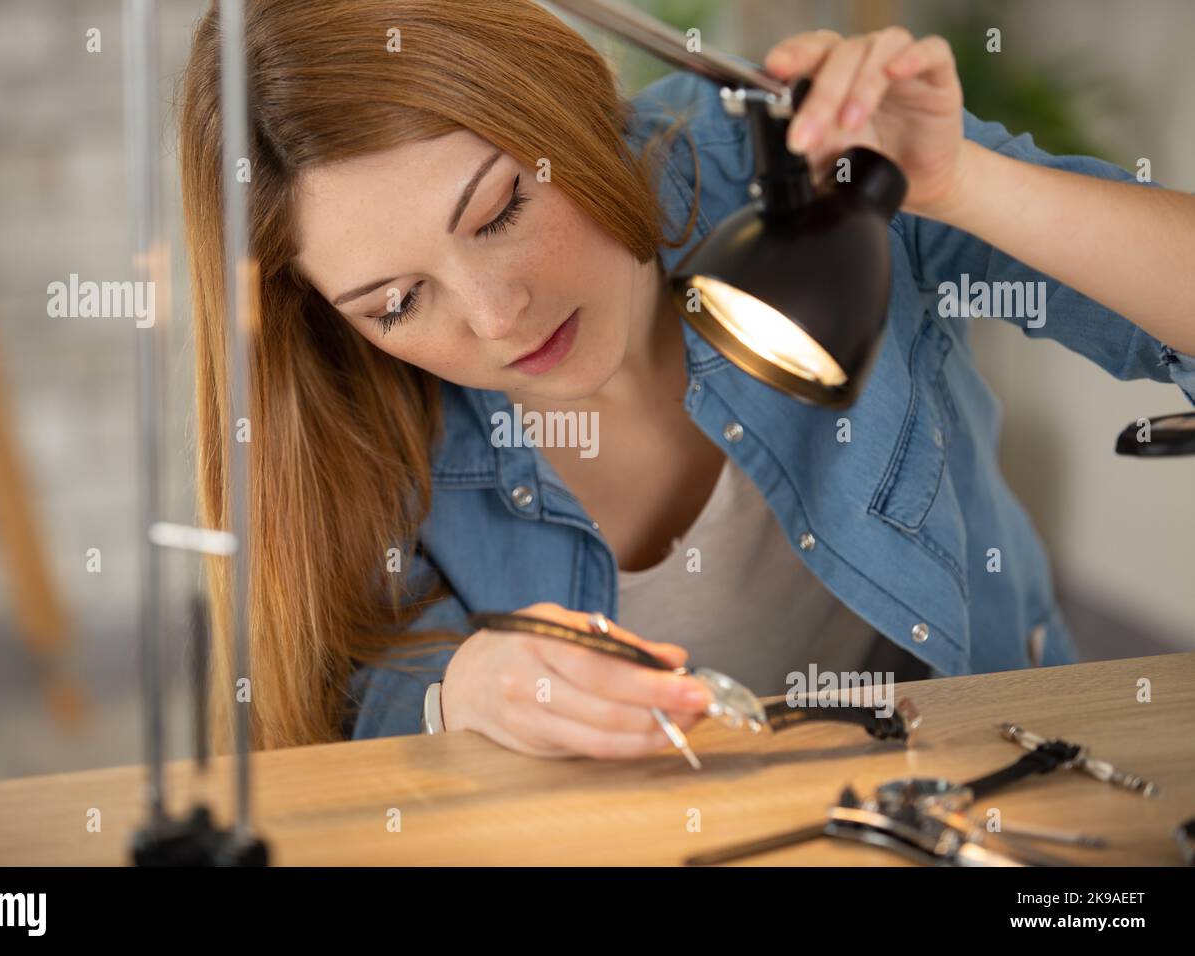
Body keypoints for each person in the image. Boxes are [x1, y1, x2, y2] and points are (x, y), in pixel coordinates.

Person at [178, 2, 1195, 757]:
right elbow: (337, 703)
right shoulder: (357, 398)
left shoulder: (791, 170)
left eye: (496, 212)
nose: (496, 317)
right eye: (396, 302)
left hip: (996, 779)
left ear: (570, 108)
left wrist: (959, 183)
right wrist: (459, 688)